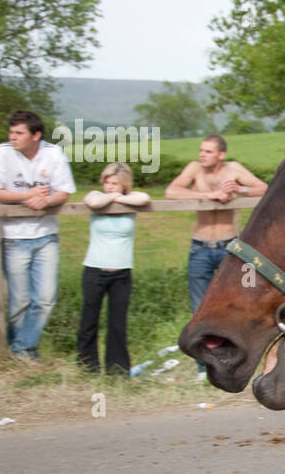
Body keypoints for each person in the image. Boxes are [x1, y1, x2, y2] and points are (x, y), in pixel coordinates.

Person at [165, 136, 267, 374]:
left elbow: (264, 189)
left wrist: (239, 189)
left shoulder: (233, 169)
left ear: (221, 154)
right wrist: (208, 196)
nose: (202, 155)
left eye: (208, 151)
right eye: (201, 150)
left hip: (230, 247)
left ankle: (237, 360)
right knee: (200, 307)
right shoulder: (194, 169)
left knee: (240, 302)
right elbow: (171, 191)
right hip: (199, 247)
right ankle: (204, 368)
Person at [0, 111, 75, 362]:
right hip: (14, 237)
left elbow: (64, 191)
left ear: (36, 135)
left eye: (18, 133)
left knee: (45, 299)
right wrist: (27, 195)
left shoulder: (53, 154)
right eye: (11, 132)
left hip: (46, 235)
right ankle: (22, 351)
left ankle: (22, 349)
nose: (12, 137)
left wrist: (46, 200)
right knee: (20, 301)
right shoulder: (1, 153)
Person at [77, 162, 150, 374]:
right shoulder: (97, 195)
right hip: (94, 270)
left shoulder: (131, 200)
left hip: (121, 273)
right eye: (107, 182)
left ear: (124, 183)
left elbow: (144, 198)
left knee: (117, 323)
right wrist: (114, 196)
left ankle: (117, 369)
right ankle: (87, 367)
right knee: (89, 320)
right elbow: (93, 202)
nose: (109, 186)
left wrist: (119, 197)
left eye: (115, 183)